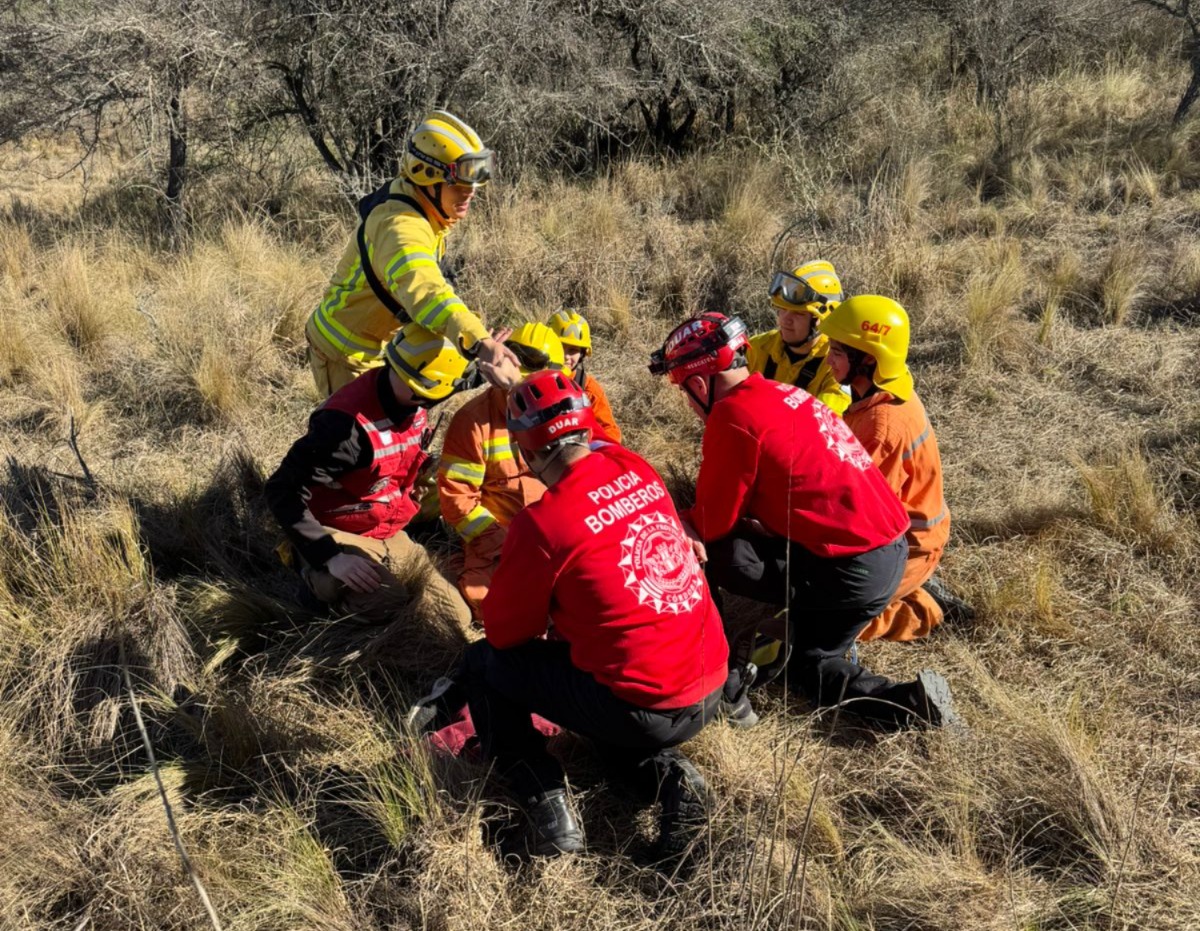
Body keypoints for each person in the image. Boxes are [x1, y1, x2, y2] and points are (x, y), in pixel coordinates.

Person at [463, 370, 728, 860]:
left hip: (646, 705)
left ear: (525, 453)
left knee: (486, 665)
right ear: (586, 427)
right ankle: (673, 781)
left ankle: (546, 811)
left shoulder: (541, 525)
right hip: (710, 678)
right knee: (599, 702)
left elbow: (504, 634)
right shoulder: (635, 466)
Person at [649, 312, 959, 730]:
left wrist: (682, 523)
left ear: (700, 385)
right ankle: (911, 702)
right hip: (888, 555)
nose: (688, 403)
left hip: (851, 572)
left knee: (708, 553)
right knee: (807, 654)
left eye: (685, 391)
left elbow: (712, 522)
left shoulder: (732, 417)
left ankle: (718, 679)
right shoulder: (787, 393)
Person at [266, 322, 474, 628]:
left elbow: (460, 379)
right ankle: (314, 576)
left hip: (387, 529)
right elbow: (281, 489)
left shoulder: (417, 387)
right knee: (386, 603)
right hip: (336, 531)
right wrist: (331, 556)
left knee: (456, 618)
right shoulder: (343, 429)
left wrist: (490, 356)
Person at [305, 110, 518, 396]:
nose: (470, 193)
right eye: (459, 183)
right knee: (361, 426)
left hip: (383, 346)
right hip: (347, 354)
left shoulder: (422, 205)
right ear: (426, 175)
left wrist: (473, 333)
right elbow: (425, 289)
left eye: (474, 184)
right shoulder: (400, 226)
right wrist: (479, 342)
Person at [820, 295, 969, 641]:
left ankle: (925, 609)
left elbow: (860, 517)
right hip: (904, 538)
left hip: (910, 547)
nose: (828, 359)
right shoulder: (882, 391)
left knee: (827, 621)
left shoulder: (882, 427)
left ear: (868, 360)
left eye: (837, 352)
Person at [438, 323, 565, 619]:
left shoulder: (564, 407)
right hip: (500, 535)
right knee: (490, 603)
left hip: (558, 526)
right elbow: (457, 497)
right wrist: (502, 542)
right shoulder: (472, 421)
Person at [746, 260, 851, 415]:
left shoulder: (835, 364)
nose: (785, 320)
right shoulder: (757, 347)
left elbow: (828, 420)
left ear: (822, 319)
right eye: (783, 309)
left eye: (799, 314)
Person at [547, 309, 623, 442]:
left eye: (573, 350)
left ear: (582, 354)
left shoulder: (589, 389)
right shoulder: (530, 378)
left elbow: (610, 432)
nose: (566, 356)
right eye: (560, 347)